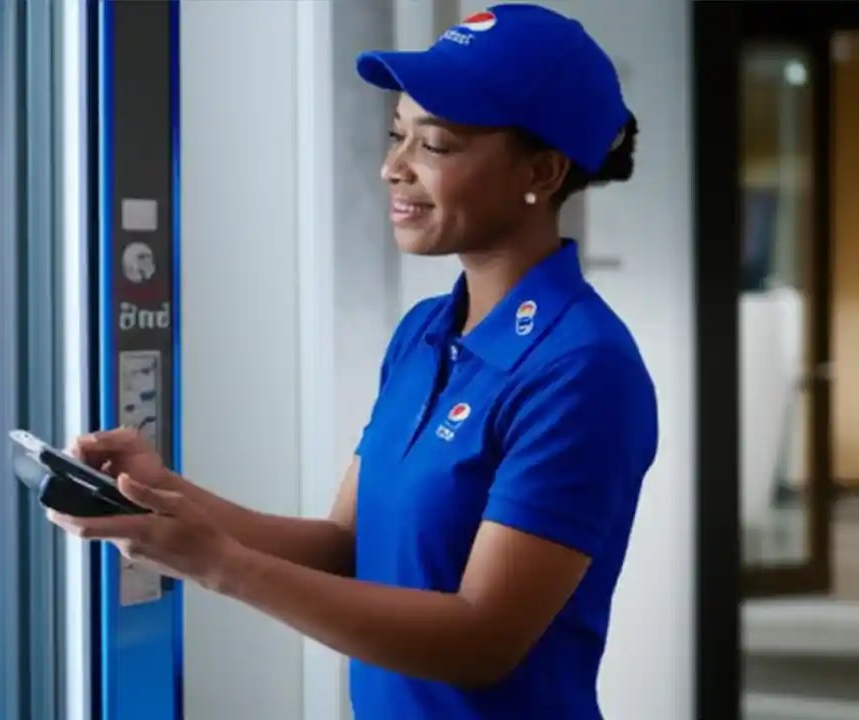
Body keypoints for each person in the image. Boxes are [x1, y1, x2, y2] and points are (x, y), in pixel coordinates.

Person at [48, 4, 658, 718]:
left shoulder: (583, 367)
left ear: (542, 171)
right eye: (397, 135)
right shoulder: (426, 332)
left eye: (434, 146)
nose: (392, 168)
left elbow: (481, 640)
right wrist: (164, 495)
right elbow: (347, 545)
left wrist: (218, 565)